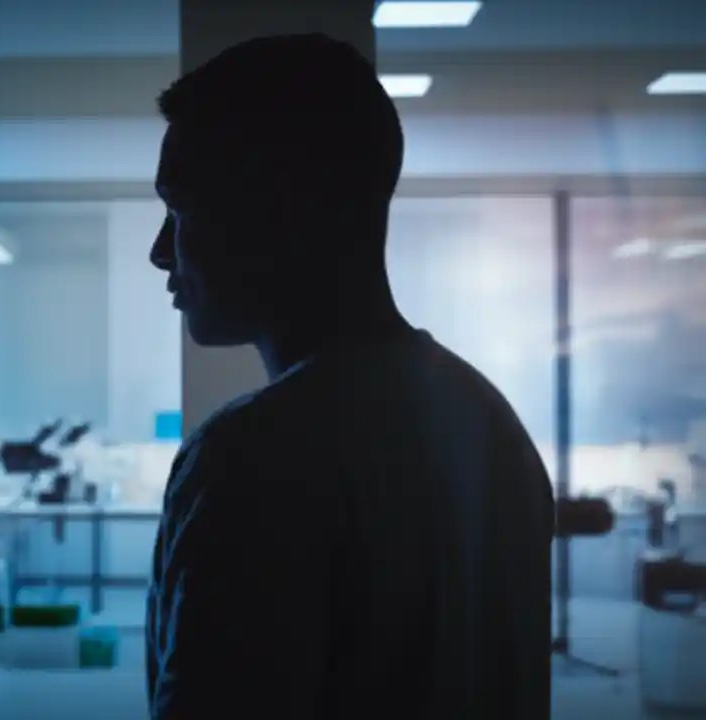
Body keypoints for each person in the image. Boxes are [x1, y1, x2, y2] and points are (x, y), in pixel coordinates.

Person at [145, 34, 555, 719]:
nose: (162, 253)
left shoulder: (251, 460)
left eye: (180, 210)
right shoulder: (491, 422)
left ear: (281, 210)